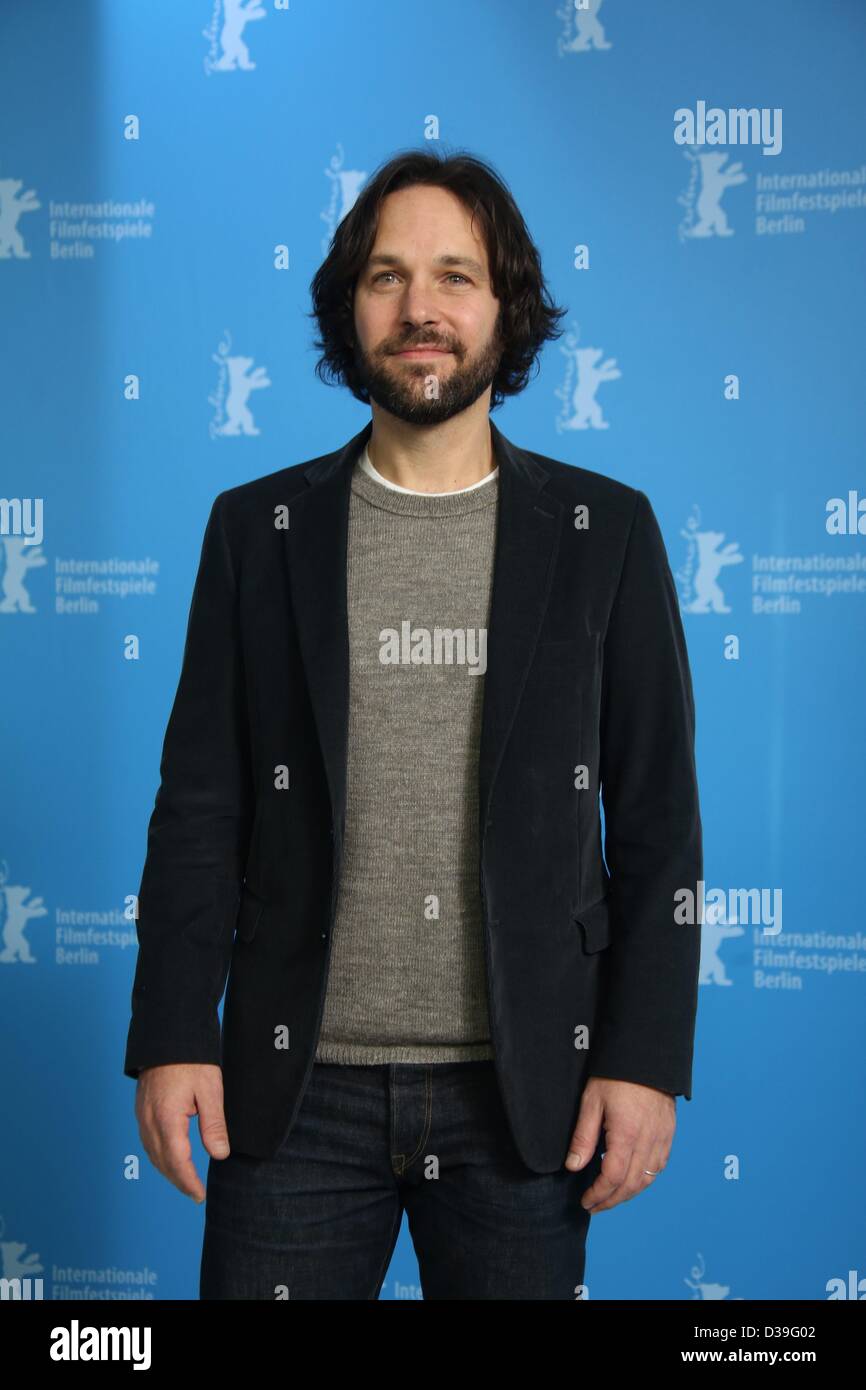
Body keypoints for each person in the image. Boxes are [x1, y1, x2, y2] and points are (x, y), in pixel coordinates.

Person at [124, 149, 702, 1300]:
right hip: (290, 1099)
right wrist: (174, 1029)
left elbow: (656, 826)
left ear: (505, 306)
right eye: (387, 278)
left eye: (454, 276)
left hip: (523, 1095)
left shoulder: (605, 532)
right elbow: (200, 806)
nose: (420, 309)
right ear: (350, 308)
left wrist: (642, 1059)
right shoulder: (256, 530)